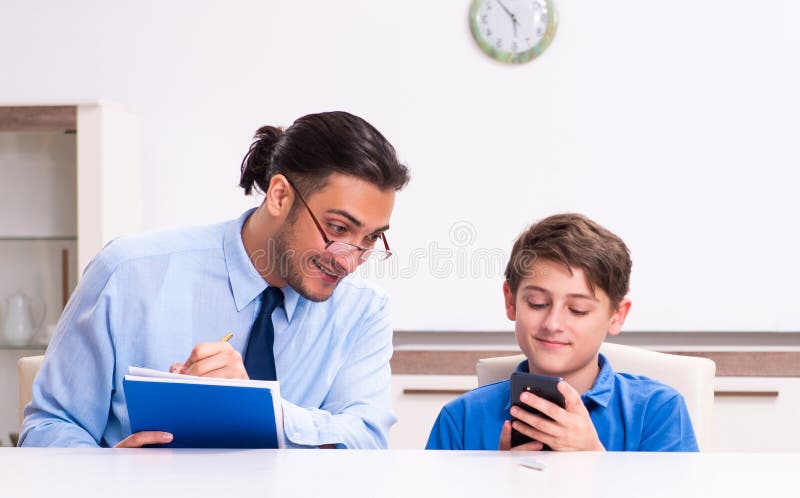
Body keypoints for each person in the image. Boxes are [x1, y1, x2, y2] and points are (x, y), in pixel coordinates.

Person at [20, 111, 410, 449]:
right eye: (338, 228)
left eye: (371, 238)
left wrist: (257, 410)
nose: (351, 261)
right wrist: (111, 471)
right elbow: (47, 428)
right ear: (279, 195)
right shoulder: (129, 273)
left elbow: (366, 438)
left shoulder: (363, 310)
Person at [426, 213, 698, 451]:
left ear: (617, 315)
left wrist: (595, 461)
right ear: (511, 301)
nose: (553, 323)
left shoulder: (659, 412)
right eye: (537, 303)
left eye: (578, 309)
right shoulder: (461, 419)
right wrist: (503, 483)